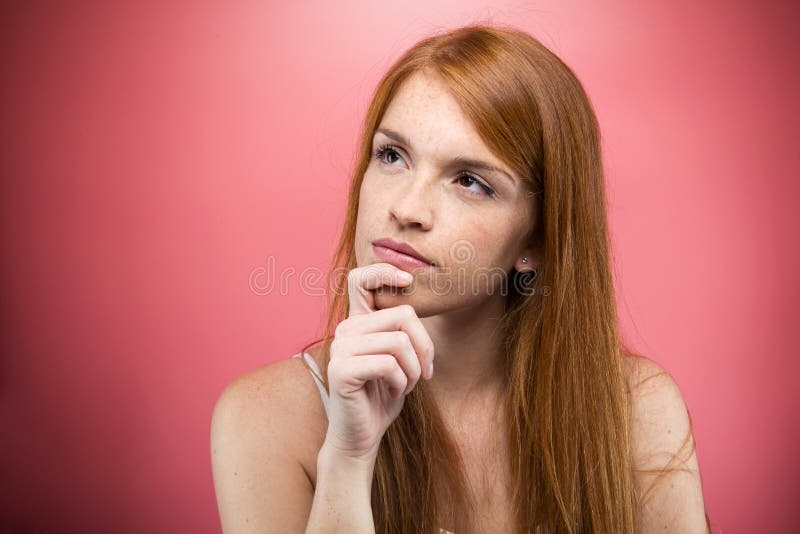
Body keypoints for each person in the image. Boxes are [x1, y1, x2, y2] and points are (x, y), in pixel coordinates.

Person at [210, 23, 711, 533]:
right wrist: (347, 460)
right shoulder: (264, 419)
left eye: (469, 181)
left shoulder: (638, 409)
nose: (405, 208)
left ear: (535, 241)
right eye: (392, 156)